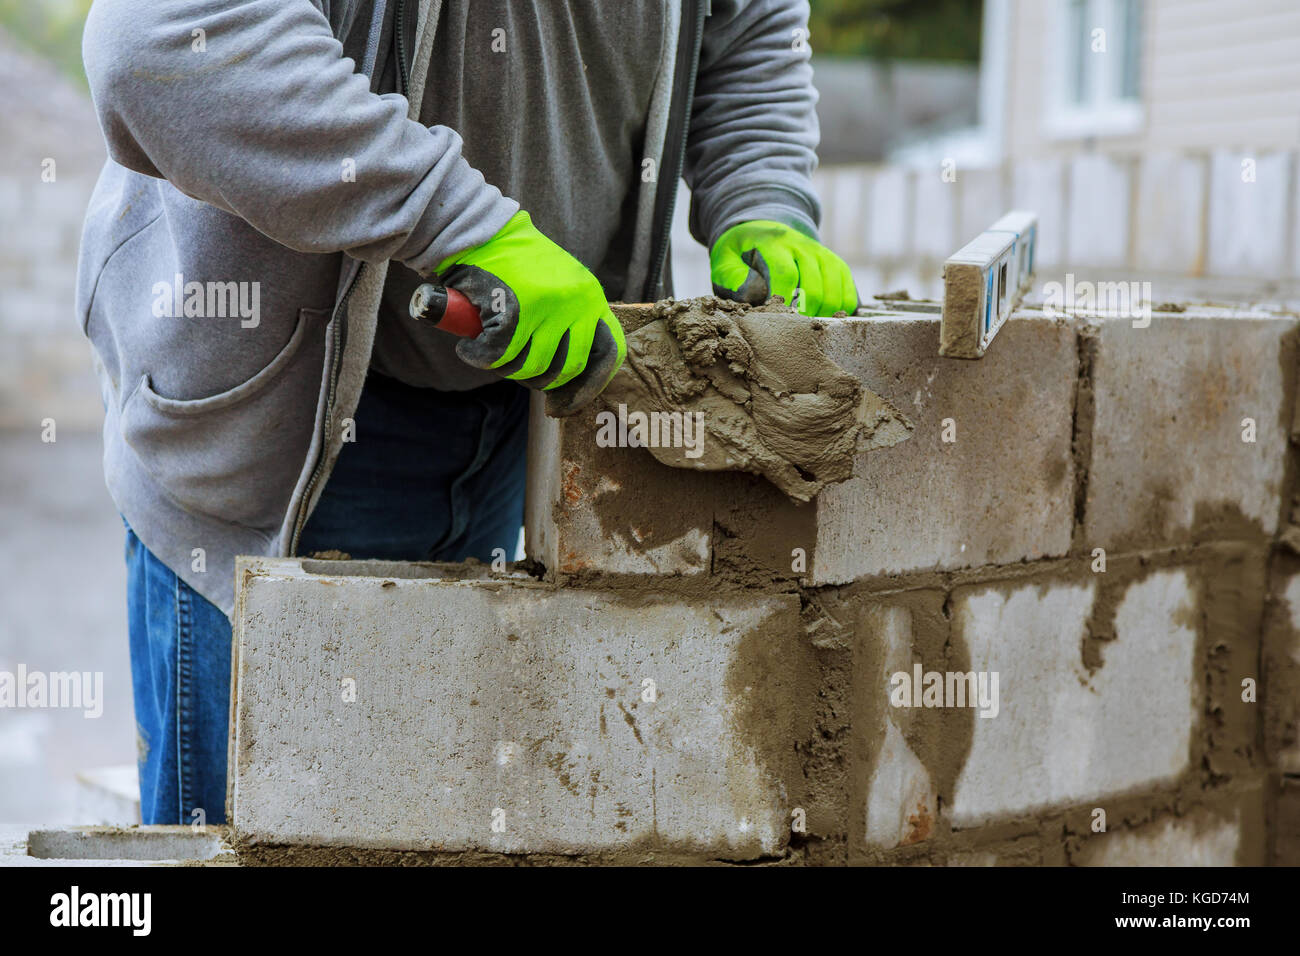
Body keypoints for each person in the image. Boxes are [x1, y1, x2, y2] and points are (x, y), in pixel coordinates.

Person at [77, 0, 858, 825]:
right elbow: (155, 42)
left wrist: (763, 193)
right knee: (269, 829)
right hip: (288, 430)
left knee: (427, 818)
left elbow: (745, 23)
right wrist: (459, 224)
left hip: (521, 416)